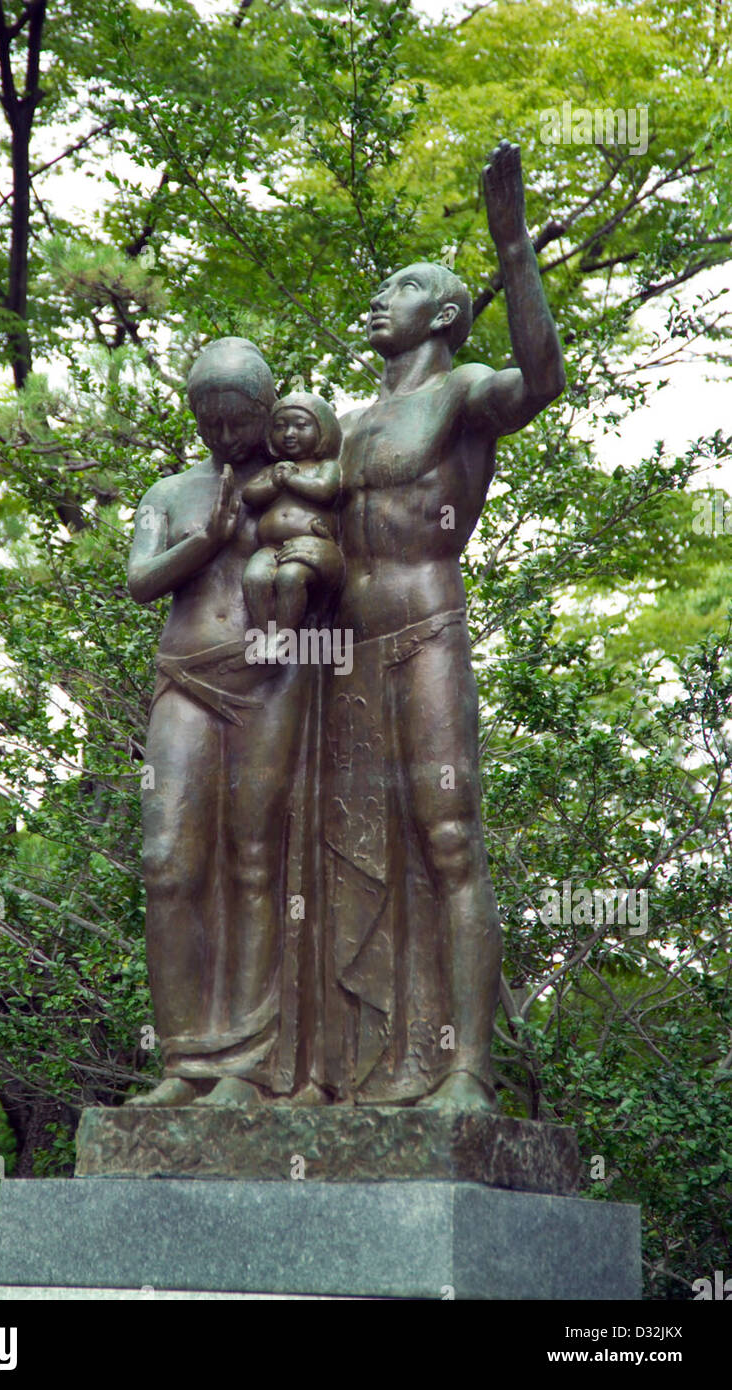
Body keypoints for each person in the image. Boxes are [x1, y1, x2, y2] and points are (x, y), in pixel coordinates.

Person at [277, 141, 567, 1109]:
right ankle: (353, 1066)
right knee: (348, 850)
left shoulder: (462, 391)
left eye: (397, 287)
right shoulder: (344, 421)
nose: (376, 299)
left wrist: (512, 247)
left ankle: (463, 1071)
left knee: (445, 838)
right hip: (339, 654)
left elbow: (542, 380)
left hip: (425, 632)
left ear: (441, 311)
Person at [126, 337, 321, 1105]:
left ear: (267, 410)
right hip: (186, 680)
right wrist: (204, 539)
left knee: (255, 861)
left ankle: (250, 1062)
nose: (223, 434)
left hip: (270, 682)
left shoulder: (296, 484)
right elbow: (140, 581)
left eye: (237, 419)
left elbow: (334, 567)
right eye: (208, 419)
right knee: (169, 862)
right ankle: (185, 1059)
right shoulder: (169, 491)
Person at [241, 391, 343, 633]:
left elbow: (325, 490)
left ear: (322, 430)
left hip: (307, 547)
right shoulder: (274, 470)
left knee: (289, 578)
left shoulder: (325, 466)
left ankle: (284, 634)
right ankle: (264, 631)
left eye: (301, 426)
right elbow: (249, 494)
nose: (289, 434)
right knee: (254, 578)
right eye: (280, 427)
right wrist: (274, 483)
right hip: (270, 548)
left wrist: (291, 480)